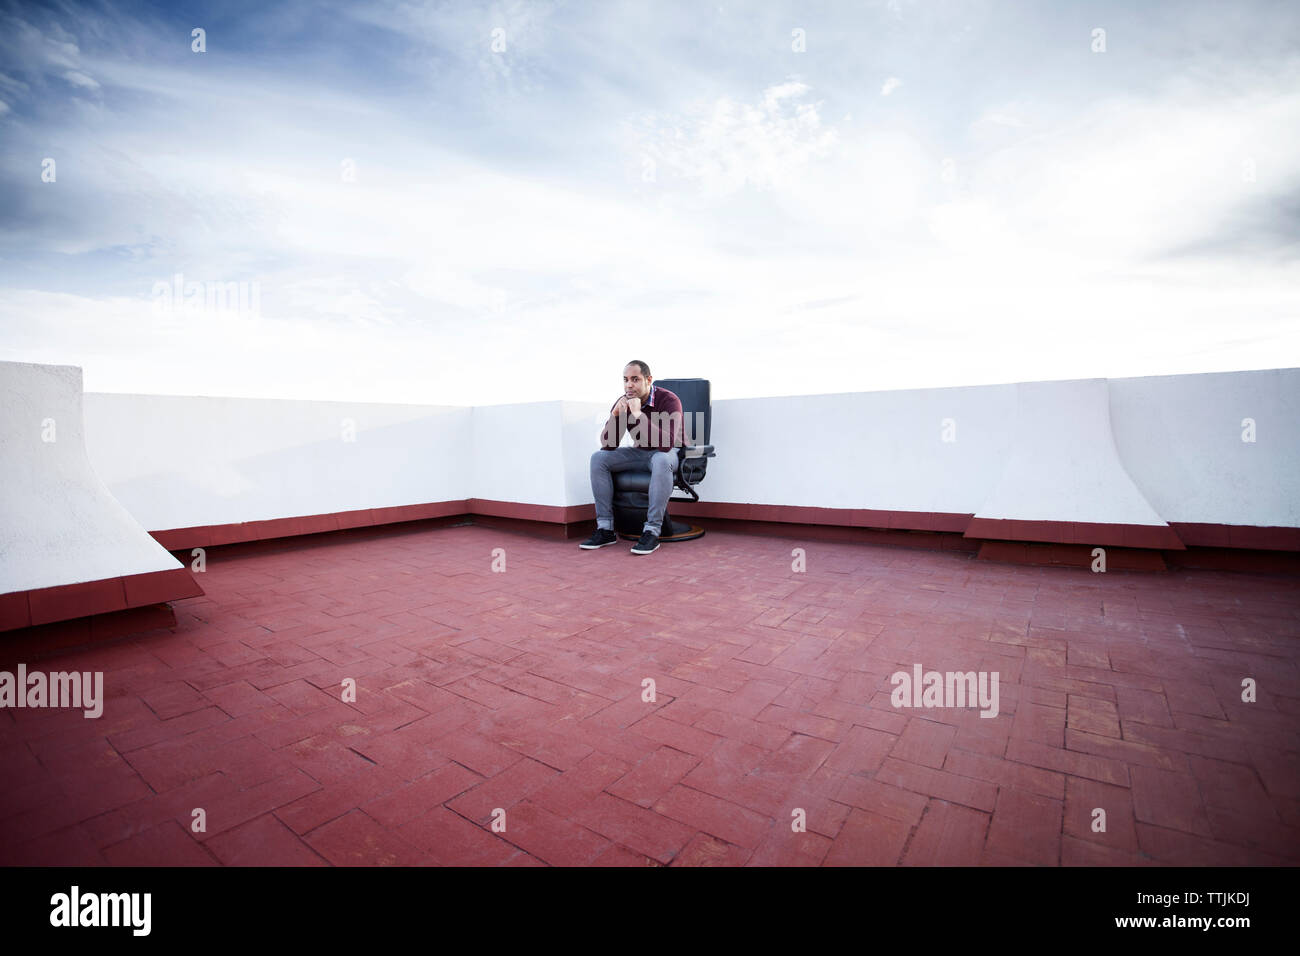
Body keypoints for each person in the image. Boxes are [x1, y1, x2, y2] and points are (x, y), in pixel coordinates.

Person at [581, 360, 683, 554]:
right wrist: (616, 415)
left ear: (648, 380)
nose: (629, 385)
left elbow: (665, 444)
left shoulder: (669, 400)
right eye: (626, 380)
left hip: (669, 453)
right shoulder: (624, 400)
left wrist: (637, 414)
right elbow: (608, 444)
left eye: (635, 379)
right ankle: (605, 529)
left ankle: (652, 531)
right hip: (640, 453)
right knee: (598, 458)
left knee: (661, 459)